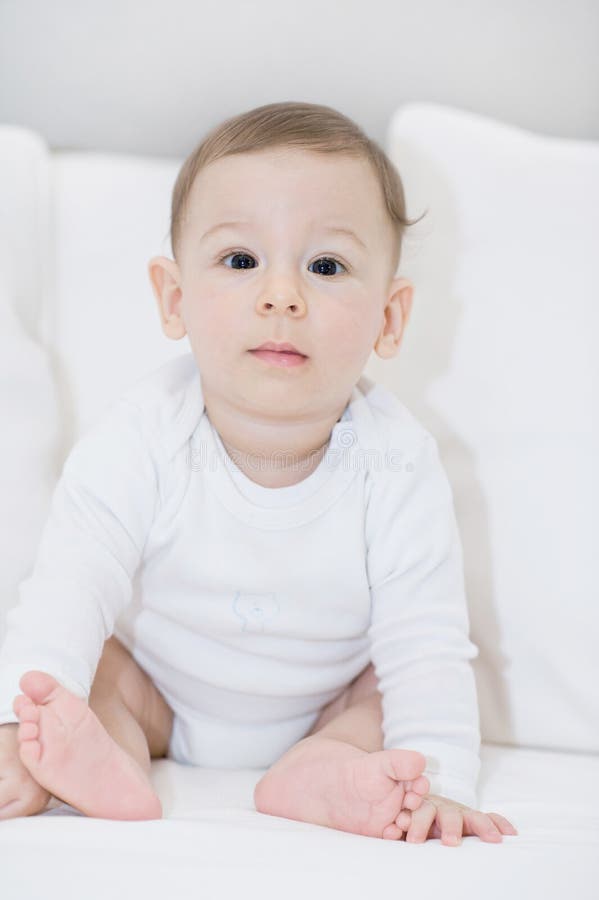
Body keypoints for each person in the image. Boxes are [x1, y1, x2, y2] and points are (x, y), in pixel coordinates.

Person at [0, 100, 517, 846]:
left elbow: (426, 642)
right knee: (96, 670)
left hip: (322, 704)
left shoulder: (397, 462)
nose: (281, 295)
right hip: (158, 695)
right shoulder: (141, 434)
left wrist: (438, 780)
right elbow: (70, 586)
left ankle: (315, 769)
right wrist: (18, 723)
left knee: (380, 692)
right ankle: (106, 760)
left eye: (326, 266)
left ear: (389, 318)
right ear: (174, 298)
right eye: (240, 261)